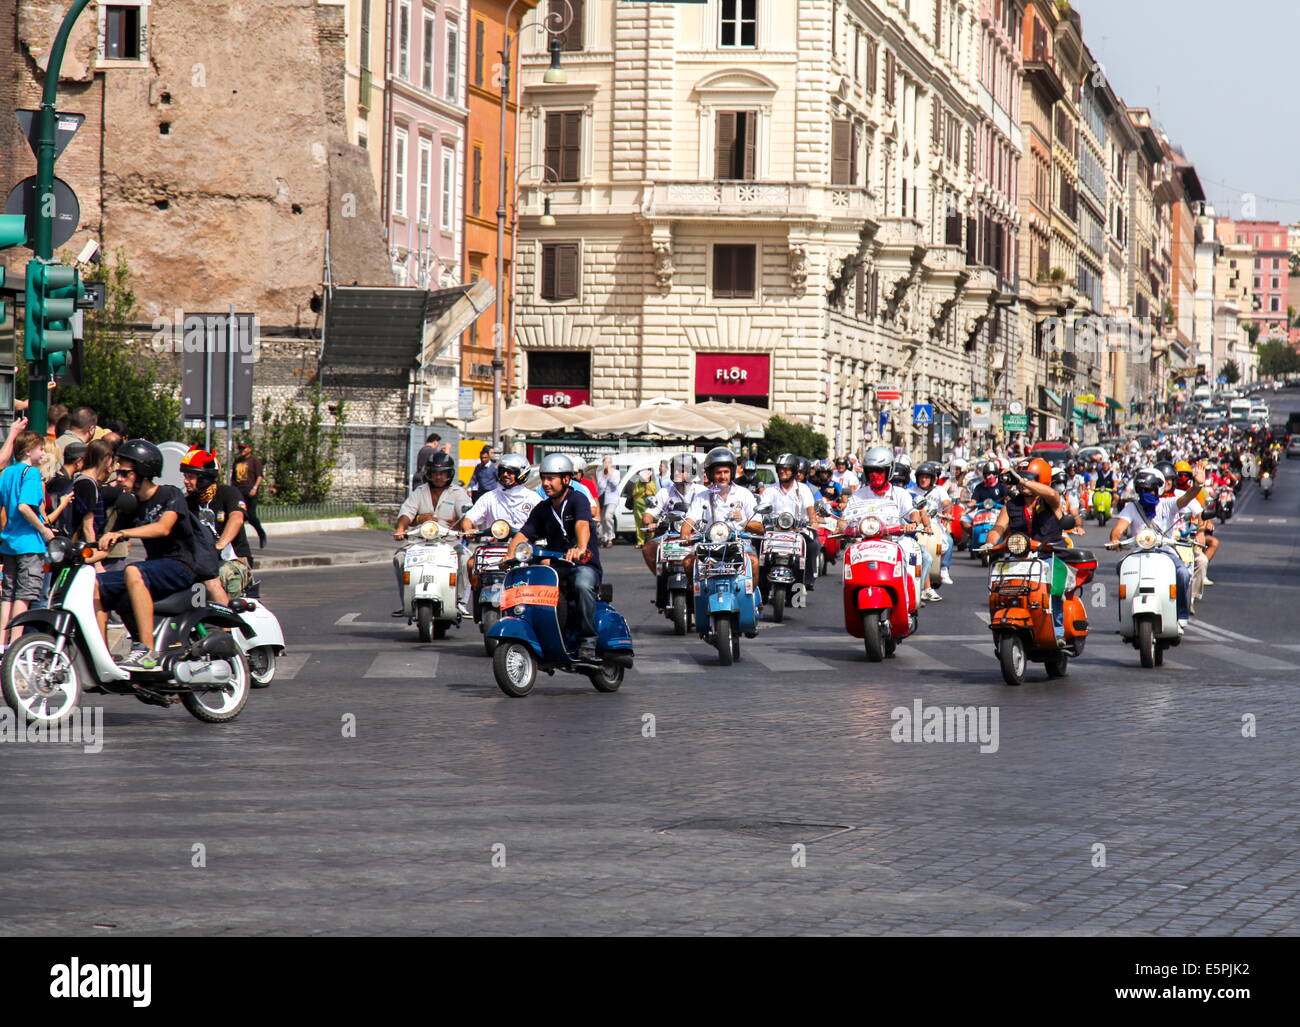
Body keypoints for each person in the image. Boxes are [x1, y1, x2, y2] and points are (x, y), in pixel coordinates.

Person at [94, 440, 200, 669]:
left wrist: (122, 533)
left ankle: (148, 651)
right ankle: (103, 656)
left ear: (142, 472)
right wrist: (73, 555)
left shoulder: (170, 494)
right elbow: (107, 545)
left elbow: (163, 527)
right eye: (117, 472)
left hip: (179, 566)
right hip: (154, 569)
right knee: (94, 584)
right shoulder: (131, 504)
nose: (118, 478)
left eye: (124, 473)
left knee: (132, 570)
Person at [508, 453, 603, 663]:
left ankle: (588, 641)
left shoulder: (578, 499)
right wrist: (508, 556)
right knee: (531, 583)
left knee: (581, 582)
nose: (546, 483)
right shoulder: (543, 508)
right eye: (544, 478)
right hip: (557, 567)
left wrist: (580, 547)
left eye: (551, 478)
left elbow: (582, 524)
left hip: (583, 564)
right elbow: (524, 534)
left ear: (566, 480)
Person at [1107, 465, 1205, 633]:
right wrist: (1115, 539)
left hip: (1166, 552)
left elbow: (1187, 498)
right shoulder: (1132, 507)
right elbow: (1118, 528)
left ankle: (1181, 615)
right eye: (1142, 489)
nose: (1146, 493)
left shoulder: (1168, 504)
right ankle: (1125, 616)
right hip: (1138, 553)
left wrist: (1197, 486)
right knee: (1120, 568)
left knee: (1182, 573)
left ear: (1158, 490)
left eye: (1150, 489)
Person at [393, 450, 474, 616]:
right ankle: (406, 602)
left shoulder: (458, 493)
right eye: (435, 473)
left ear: (449, 474)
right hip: (419, 542)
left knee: (467, 559)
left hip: (449, 542)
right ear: (429, 474)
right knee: (399, 558)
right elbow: (406, 513)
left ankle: (459, 601)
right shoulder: (420, 492)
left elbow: (467, 515)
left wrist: (467, 530)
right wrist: (401, 528)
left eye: (443, 473)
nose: (439, 477)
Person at [460, 453, 539, 610]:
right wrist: (468, 529)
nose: (505, 475)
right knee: (471, 563)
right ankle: (477, 597)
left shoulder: (533, 499)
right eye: (503, 471)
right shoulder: (490, 497)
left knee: (543, 568)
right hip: (494, 548)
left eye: (510, 471)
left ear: (522, 473)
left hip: (523, 550)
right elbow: (469, 518)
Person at [0, 431, 54, 651]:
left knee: (7, 595)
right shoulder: (31, 473)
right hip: (29, 542)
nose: (43, 453)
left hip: (10, 541)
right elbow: (24, 506)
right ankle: (16, 645)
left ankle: (2, 644)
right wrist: (43, 530)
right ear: (28, 451)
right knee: (24, 595)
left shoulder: (7, 473)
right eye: (40, 449)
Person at [680, 447, 763, 587]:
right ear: (711, 474)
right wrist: (685, 535)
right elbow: (690, 519)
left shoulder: (744, 494)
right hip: (709, 546)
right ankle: (693, 599)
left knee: (754, 562)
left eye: (726, 472)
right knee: (688, 562)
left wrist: (743, 521)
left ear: (732, 473)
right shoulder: (702, 496)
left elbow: (759, 528)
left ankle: (751, 597)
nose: (723, 476)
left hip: (739, 545)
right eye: (718, 473)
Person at [181, 447, 253, 603]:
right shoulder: (187, 502)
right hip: (202, 563)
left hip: (233, 561)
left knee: (218, 575)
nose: (185, 481)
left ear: (204, 478)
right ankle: (196, 621)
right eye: (185, 476)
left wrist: (218, 546)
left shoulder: (228, 493)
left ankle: (224, 625)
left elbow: (237, 518)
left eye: (191, 476)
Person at [760, 453, 819, 591]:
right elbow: (762, 510)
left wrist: (813, 521)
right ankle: (761, 587)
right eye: (780, 468)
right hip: (774, 531)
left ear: (794, 470)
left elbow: (810, 510)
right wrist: (764, 520)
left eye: (786, 469)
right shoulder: (770, 490)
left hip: (799, 530)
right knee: (757, 544)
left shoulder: (803, 489)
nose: (782, 471)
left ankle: (807, 580)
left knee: (813, 544)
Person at [640, 454, 705, 573]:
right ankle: (662, 578)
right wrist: (649, 523)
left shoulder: (703, 492)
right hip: (671, 536)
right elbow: (648, 514)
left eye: (681, 470)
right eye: (675, 470)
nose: (676, 473)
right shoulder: (665, 492)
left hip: (698, 536)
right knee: (648, 548)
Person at [909, 461, 952, 595]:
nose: (923, 479)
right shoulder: (911, 491)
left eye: (927, 477)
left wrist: (947, 511)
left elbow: (946, 503)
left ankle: (943, 568)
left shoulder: (939, 490)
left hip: (934, 523)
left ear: (932, 479)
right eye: (921, 476)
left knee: (948, 541)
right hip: (916, 523)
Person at [230, 439, 267, 549]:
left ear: (249, 449)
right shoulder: (237, 461)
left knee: (251, 516)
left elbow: (260, 476)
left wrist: (255, 488)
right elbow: (234, 477)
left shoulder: (254, 460)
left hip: (250, 491)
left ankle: (261, 534)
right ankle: (238, 542)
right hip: (239, 491)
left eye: (244, 448)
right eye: (240, 448)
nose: (242, 450)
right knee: (238, 516)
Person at [596, 456, 622, 547]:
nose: (607, 464)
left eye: (609, 462)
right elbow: (601, 486)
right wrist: (605, 475)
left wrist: (609, 474)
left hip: (612, 498)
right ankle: (604, 538)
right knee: (601, 519)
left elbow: (615, 483)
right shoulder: (599, 473)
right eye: (605, 462)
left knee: (608, 516)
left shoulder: (616, 472)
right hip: (602, 498)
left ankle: (610, 537)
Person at [630, 468, 658, 548]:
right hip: (638, 506)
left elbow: (654, 493)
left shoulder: (652, 483)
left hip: (649, 506)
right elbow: (634, 493)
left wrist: (647, 486)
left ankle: (650, 540)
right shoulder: (637, 483)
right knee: (639, 524)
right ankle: (640, 542)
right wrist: (643, 490)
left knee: (649, 523)